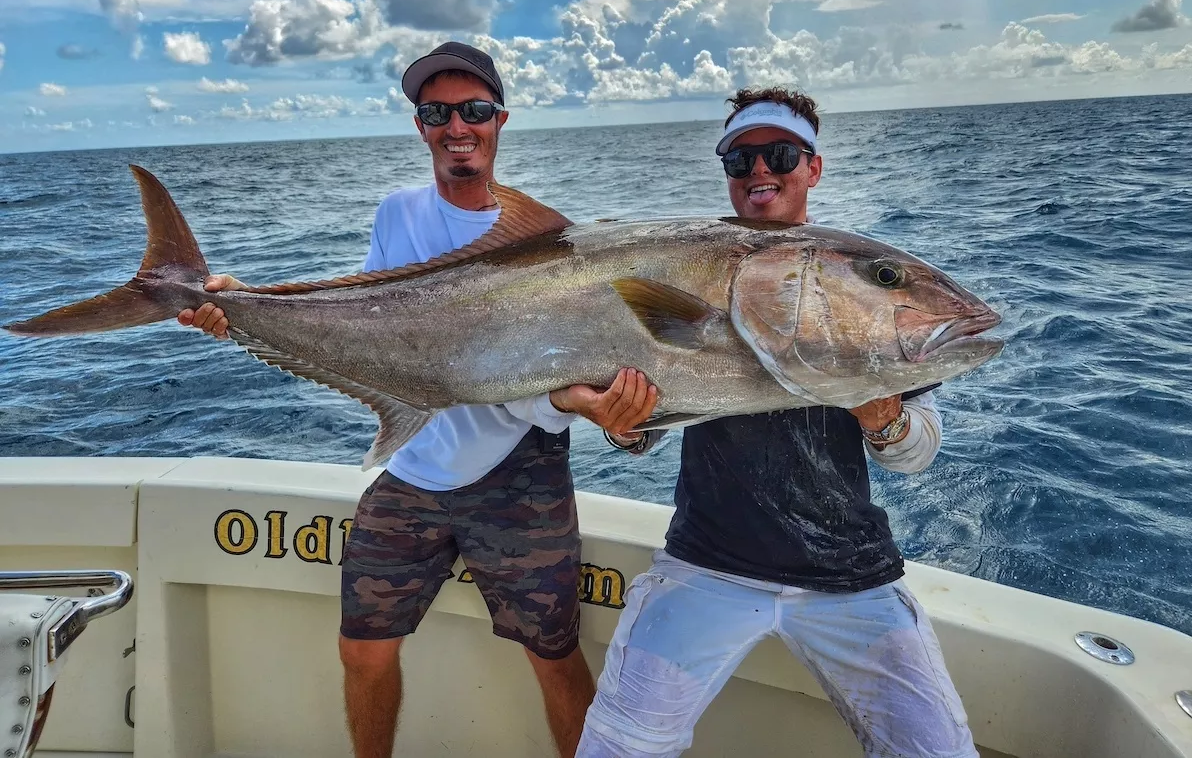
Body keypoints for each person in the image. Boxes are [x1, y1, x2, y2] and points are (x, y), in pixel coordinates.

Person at [176, 41, 656, 758]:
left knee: (554, 656)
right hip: (417, 465)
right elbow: (366, 318)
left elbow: (549, 373)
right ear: (419, 124)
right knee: (362, 648)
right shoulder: (396, 213)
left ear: (500, 120)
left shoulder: (556, 242)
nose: (457, 126)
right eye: (438, 111)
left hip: (520, 471)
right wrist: (243, 301)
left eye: (473, 110)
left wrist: (589, 409)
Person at [576, 87, 979, 758]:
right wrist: (620, 424)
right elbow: (644, 424)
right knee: (617, 748)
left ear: (812, 166)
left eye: (780, 153)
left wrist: (883, 418)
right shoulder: (680, 266)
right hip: (708, 562)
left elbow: (917, 450)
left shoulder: (858, 282)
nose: (760, 169)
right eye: (742, 159)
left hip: (851, 574)